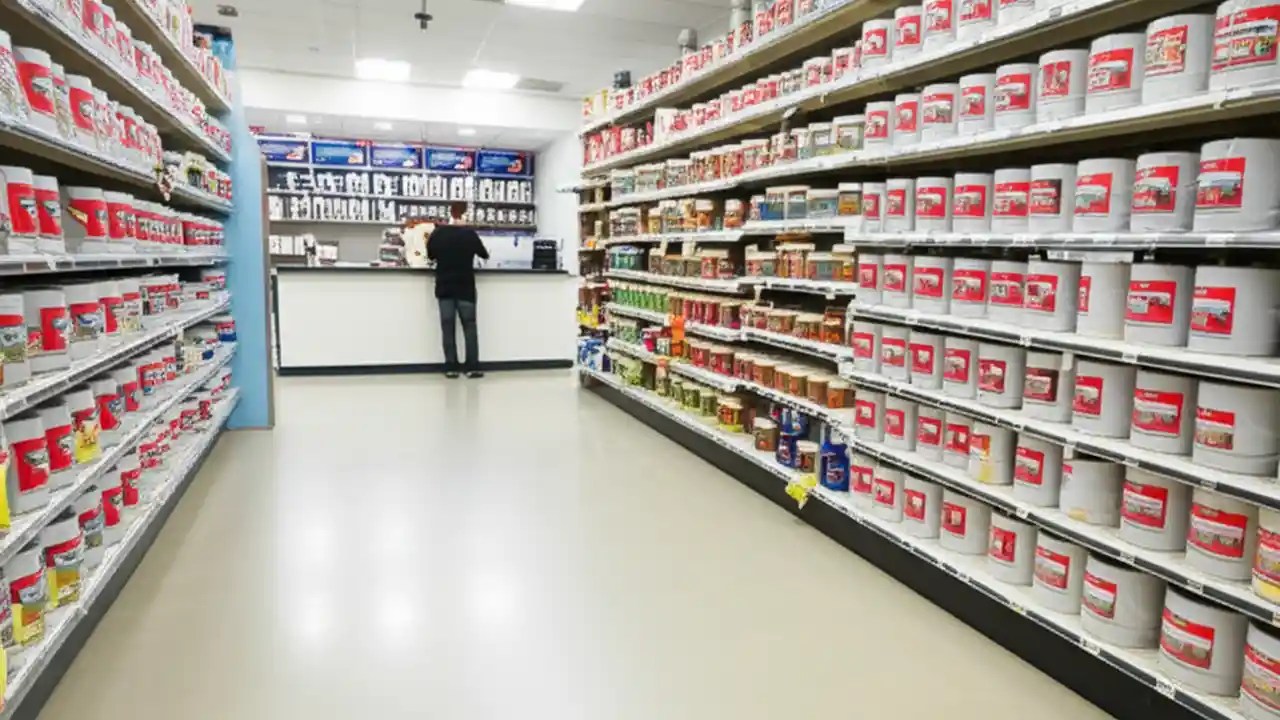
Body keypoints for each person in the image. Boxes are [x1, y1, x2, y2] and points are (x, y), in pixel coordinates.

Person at [426, 202, 489, 378]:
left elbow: (430, 255)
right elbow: (484, 254)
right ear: (465, 214)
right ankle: (472, 366)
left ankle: (451, 367)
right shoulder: (470, 234)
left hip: (445, 286)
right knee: (469, 326)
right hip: (465, 286)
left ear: (449, 213)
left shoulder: (438, 233)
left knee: (448, 327)